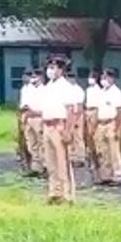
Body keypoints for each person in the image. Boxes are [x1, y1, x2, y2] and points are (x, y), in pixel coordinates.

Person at [39, 57, 75, 203]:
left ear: (61, 70)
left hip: (59, 125)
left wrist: (67, 131)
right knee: (50, 162)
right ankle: (54, 192)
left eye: (53, 67)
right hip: (47, 125)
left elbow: (71, 110)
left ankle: (67, 194)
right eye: (49, 67)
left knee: (62, 162)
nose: (50, 70)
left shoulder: (65, 87)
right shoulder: (48, 86)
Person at [91, 68, 121, 186]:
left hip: (112, 123)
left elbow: (120, 112)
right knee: (102, 151)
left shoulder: (117, 93)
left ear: (112, 78)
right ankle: (106, 175)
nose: (103, 80)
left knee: (114, 151)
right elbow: (97, 110)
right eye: (102, 78)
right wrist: (94, 126)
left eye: (105, 77)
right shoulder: (101, 92)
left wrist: (117, 128)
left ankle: (117, 176)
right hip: (101, 123)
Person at [19, 69, 44, 176]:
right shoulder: (29, 89)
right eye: (32, 76)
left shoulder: (45, 90)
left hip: (39, 118)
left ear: (41, 78)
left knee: (41, 143)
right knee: (31, 144)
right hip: (29, 118)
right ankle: (35, 167)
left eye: (36, 76)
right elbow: (24, 105)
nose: (33, 79)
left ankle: (44, 167)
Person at [67, 71, 86, 166]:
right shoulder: (67, 89)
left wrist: (76, 119)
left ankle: (80, 157)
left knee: (78, 137)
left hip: (77, 115)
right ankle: (72, 157)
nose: (70, 79)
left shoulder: (78, 90)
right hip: (69, 115)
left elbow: (80, 106)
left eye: (72, 77)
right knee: (70, 136)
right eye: (68, 77)